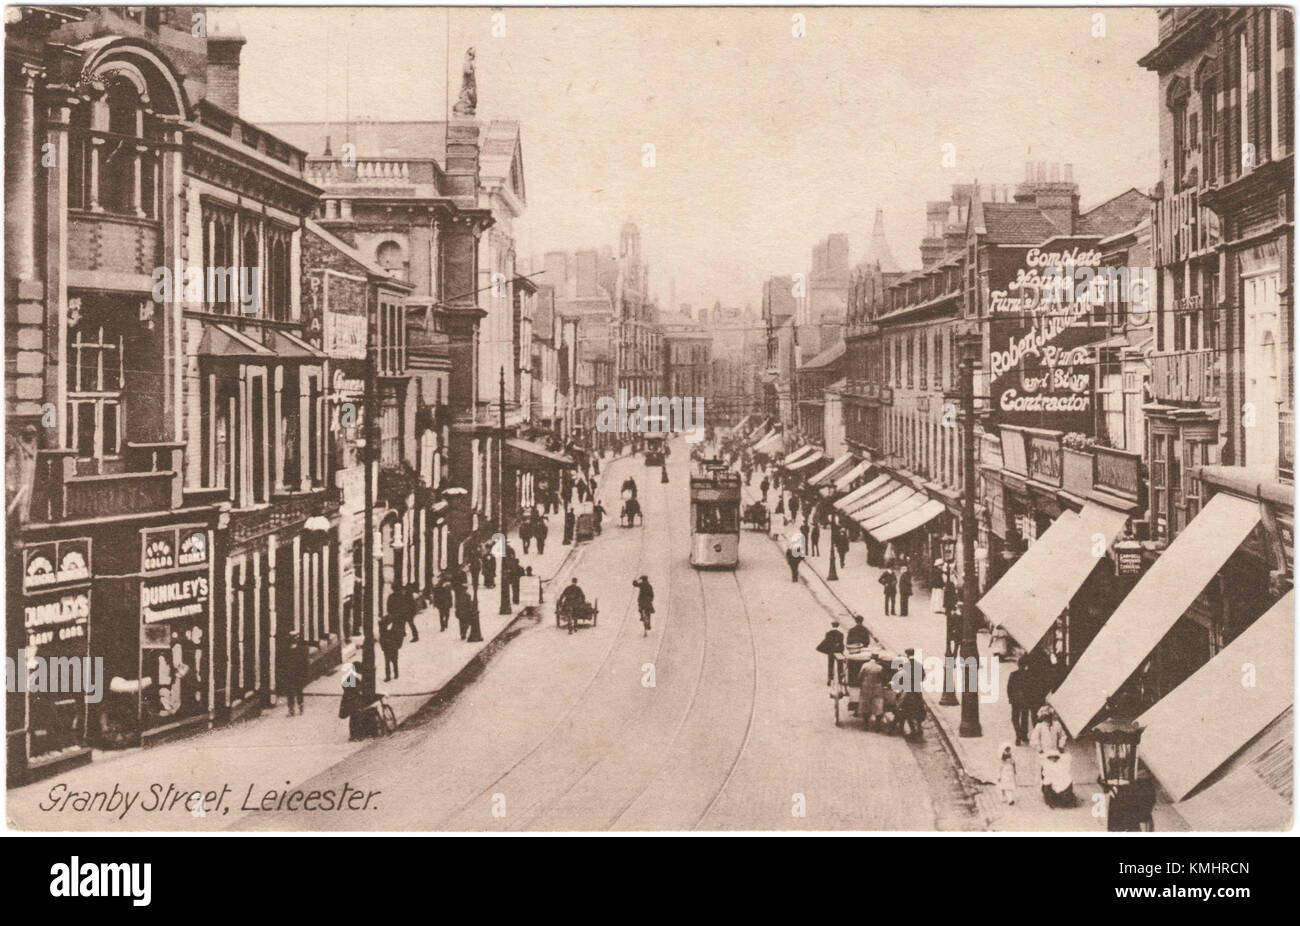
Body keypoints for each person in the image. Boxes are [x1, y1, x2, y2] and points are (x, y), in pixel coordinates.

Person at [1007, 655, 1035, 745]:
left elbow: (1009, 688)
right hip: (1025, 700)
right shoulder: (1029, 675)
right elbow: (1031, 688)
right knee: (1024, 718)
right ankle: (1024, 735)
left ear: (1018, 665)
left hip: (1015, 700)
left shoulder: (1013, 674)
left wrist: (1010, 698)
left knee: (1015, 718)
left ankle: (1018, 734)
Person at [898, 647, 925, 738]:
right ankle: (919, 728)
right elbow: (923, 677)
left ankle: (913, 730)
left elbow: (901, 679)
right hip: (917, 691)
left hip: (908, 691)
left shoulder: (905, 665)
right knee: (918, 709)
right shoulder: (919, 665)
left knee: (907, 710)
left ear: (907, 655)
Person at [281, 633, 308, 716]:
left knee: (298, 690)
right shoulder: (287, 650)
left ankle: (300, 707)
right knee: (290, 691)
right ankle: (292, 709)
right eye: (293, 638)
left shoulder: (300, 650)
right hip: (290, 674)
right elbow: (283, 663)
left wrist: (304, 673)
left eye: (296, 638)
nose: (294, 639)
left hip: (297, 674)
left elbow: (304, 663)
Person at [815, 619, 845, 685]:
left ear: (832, 625)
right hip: (838, 652)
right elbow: (841, 644)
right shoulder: (841, 634)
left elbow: (827, 643)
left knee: (830, 665)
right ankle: (840, 680)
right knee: (840, 665)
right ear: (838, 626)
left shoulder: (828, 633)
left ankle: (830, 679)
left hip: (831, 652)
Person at [380, 613, 405, 682]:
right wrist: (382, 646)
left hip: (393, 646)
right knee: (387, 662)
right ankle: (388, 676)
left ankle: (396, 674)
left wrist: (398, 645)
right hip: (386, 646)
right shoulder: (383, 626)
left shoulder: (396, 626)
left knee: (394, 661)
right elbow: (381, 637)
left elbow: (400, 636)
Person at [453, 576, 476, 641]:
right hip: (465, 612)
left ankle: (463, 633)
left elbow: (457, 604)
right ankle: (463, 633)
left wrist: (456, 609)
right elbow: (469, 604)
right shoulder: (467, 595)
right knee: (466, 623)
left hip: (461, 611)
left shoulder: (460, 596)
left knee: (462, 623)